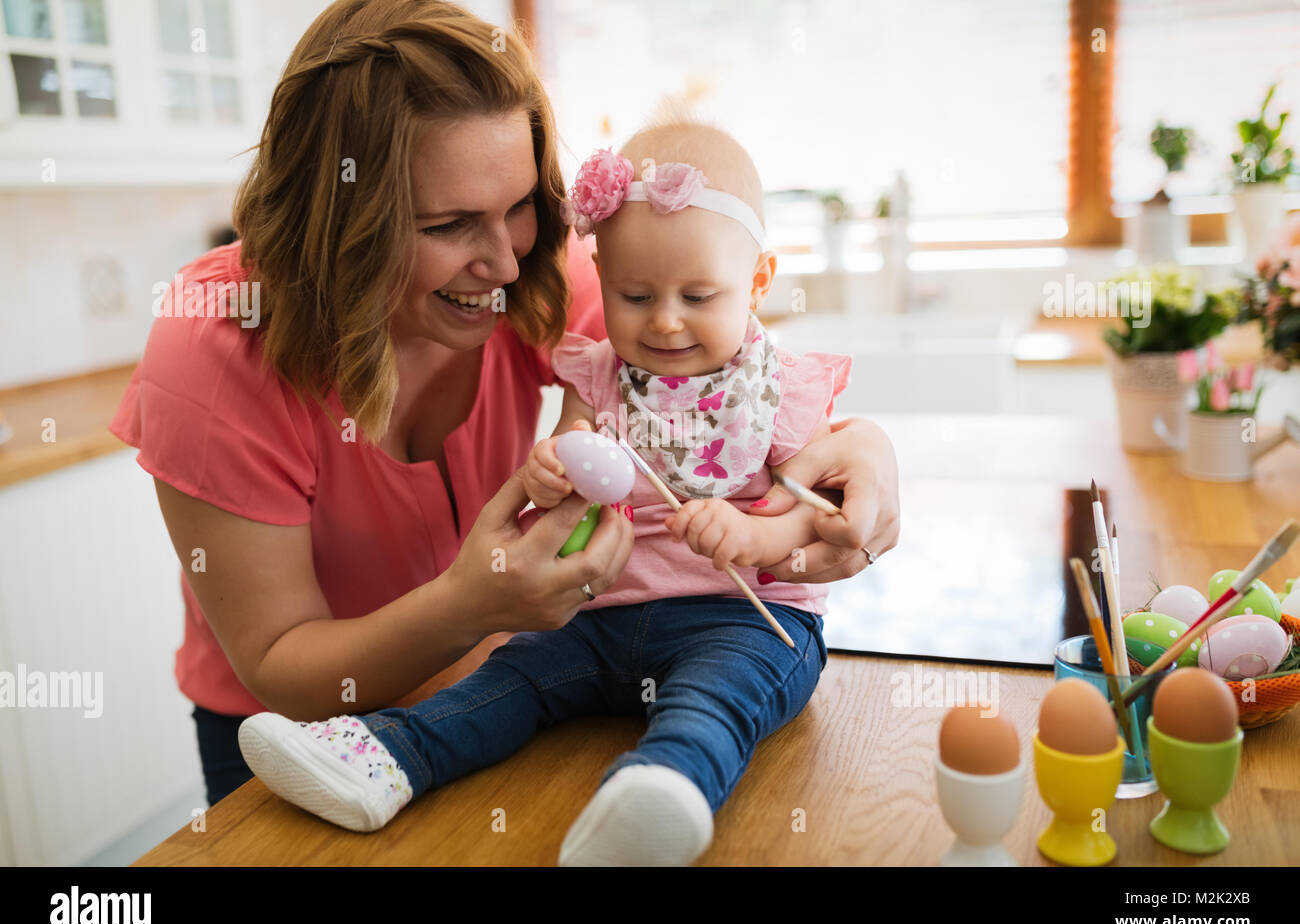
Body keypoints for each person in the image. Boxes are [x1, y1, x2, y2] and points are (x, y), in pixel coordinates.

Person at [109, 0, 900, 813]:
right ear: (343, 217)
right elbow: (283, 664)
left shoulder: (535, 261)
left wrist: (862, 445)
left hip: (493, 691)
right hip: (305, 734)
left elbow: (708, 362)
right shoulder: (216, 343)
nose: (503, 260)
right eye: (450, 224)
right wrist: (471, 603)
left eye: (519, 205)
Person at [239, 120, 855, 866]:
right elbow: (572, 448)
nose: (664, 320)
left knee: (714, 702)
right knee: (514, 677)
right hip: (600, 622)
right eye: (633, 294)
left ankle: (659, 796)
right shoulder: (598, 371)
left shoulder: (783, 388)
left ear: (758, 281)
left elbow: (810, 512)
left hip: (741, 622)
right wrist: (549, 470)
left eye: (697, 295)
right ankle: (386, 758)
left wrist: (755, 537)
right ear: (606, 278)